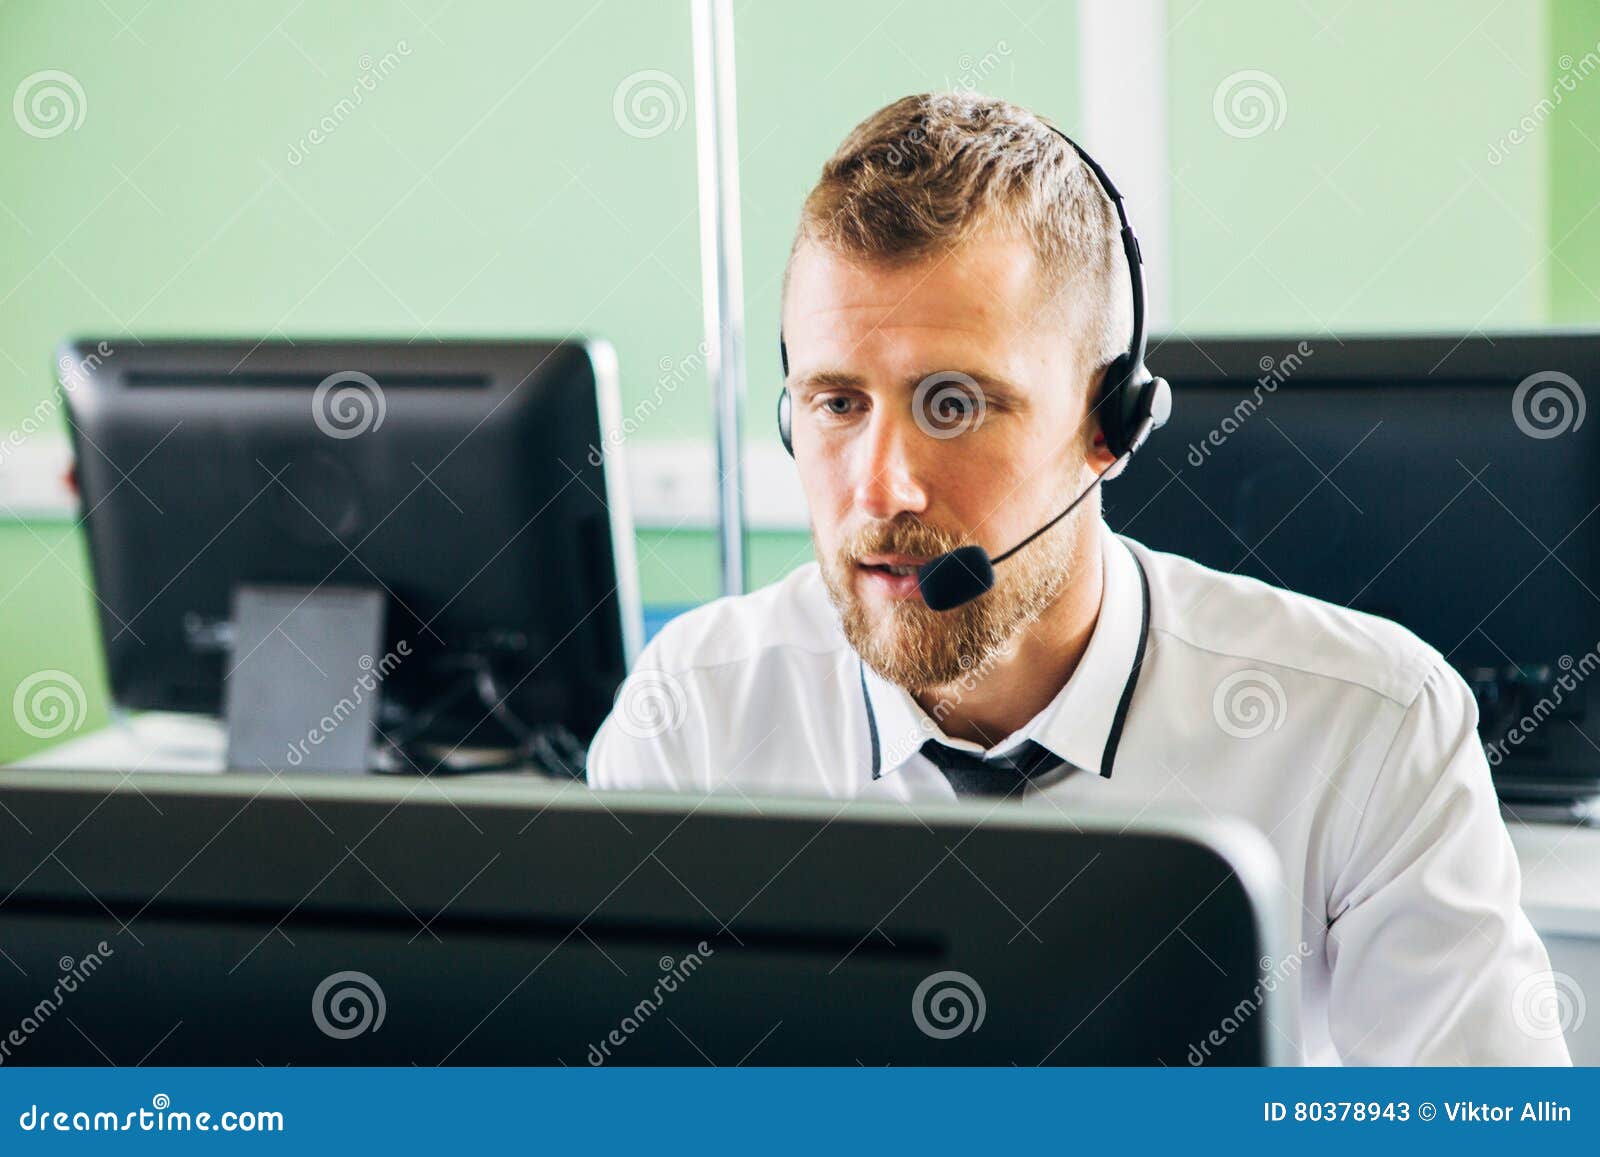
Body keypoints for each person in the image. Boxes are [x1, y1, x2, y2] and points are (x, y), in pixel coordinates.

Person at [587, 91, 1571, 1066]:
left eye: (953, 403)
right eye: (836, 402)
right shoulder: (695, 715)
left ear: (1112, 425)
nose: (880, 489)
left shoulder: (1365, 724)